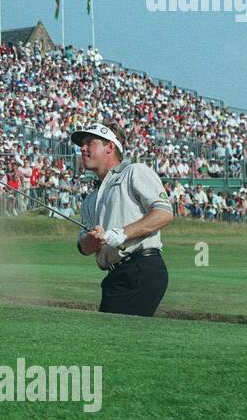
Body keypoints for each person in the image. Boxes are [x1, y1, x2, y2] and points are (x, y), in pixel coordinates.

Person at [73, 122, 172, 317]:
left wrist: (121, 233)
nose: (82, 149)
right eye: (82, 145)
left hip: (141, 267)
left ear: (110, 147)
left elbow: (163, 213)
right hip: (116, 274)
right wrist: (94, 239)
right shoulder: (91, 198)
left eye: (90, 142)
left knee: (111, 340)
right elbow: (84, 247)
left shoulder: (134, 171)